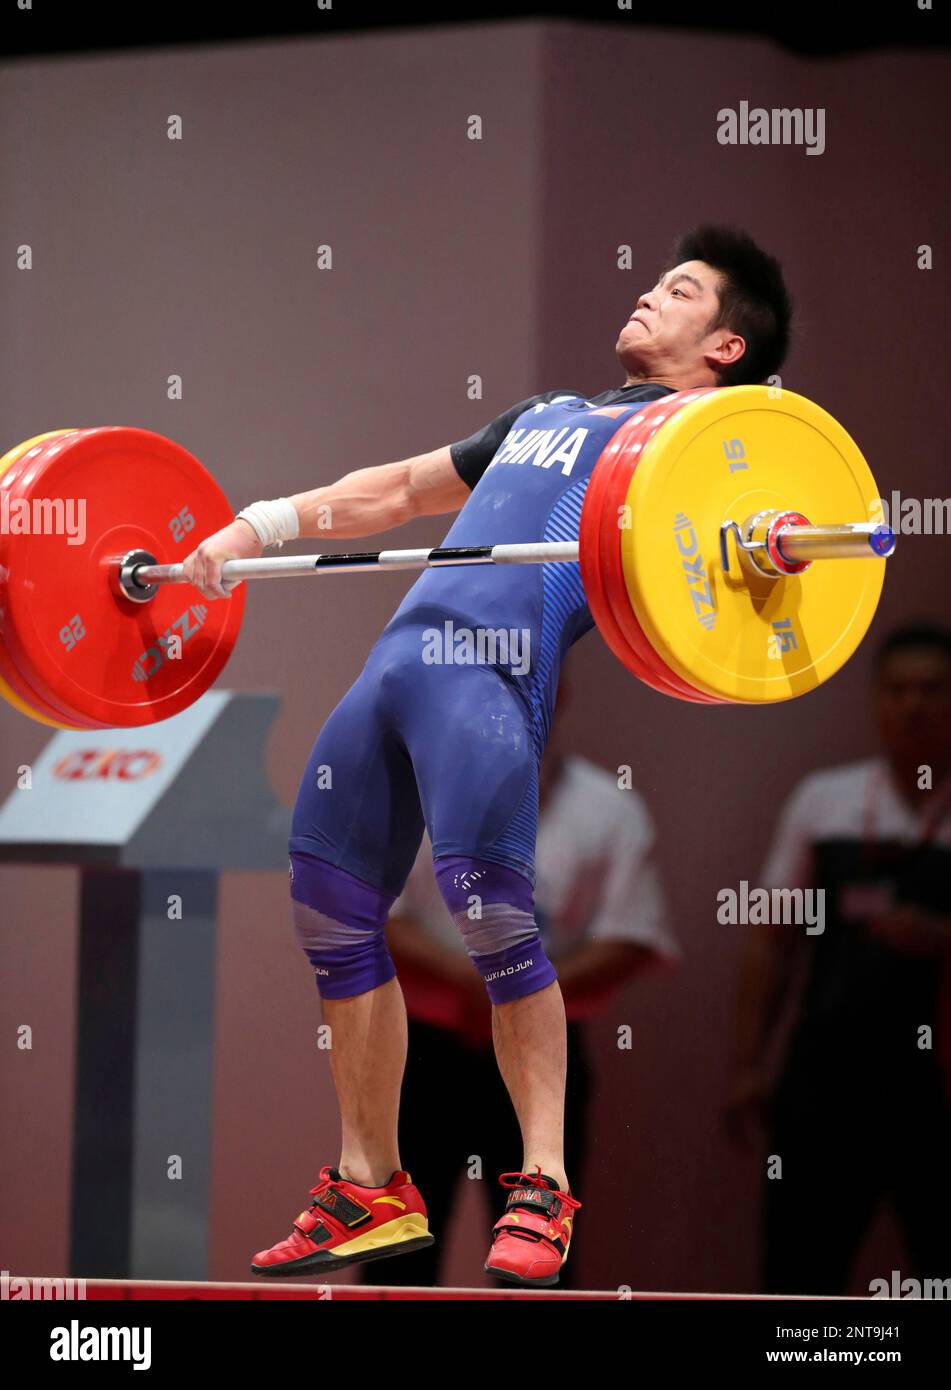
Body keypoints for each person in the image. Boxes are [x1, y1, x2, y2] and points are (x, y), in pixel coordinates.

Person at [183, 223, 793, 1287]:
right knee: (328, 897)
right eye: (653, 278)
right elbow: (403, 491)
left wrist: (777, 543)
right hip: (394, 669)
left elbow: (761, 535)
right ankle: (371, 1179)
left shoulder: (704, 442)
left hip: (488, 680)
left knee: (494, 916)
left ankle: (544, 1182)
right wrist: (258, 526)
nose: (649, 294)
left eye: (681, 290)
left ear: (728, 346)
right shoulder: (548, 415)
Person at [363, 675, 679, 1287]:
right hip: (424, 1055)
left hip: (545, 1063)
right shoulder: (414, 790)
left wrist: (518, 997)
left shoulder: (609, 807)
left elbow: (633, 937)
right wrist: (477, 986)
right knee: (395, 1255)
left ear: (560, 694)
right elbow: (374, 916)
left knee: (537, 1263)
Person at [723, 624, 951, 1295]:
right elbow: (770, 940)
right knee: (799, 1272)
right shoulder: (824, 800)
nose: (913, 705)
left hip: (936, 1089)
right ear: (876, 701)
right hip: (826, 1074)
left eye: (932, 691)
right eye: (897, 690)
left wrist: (940, 936)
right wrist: (745, 1066)